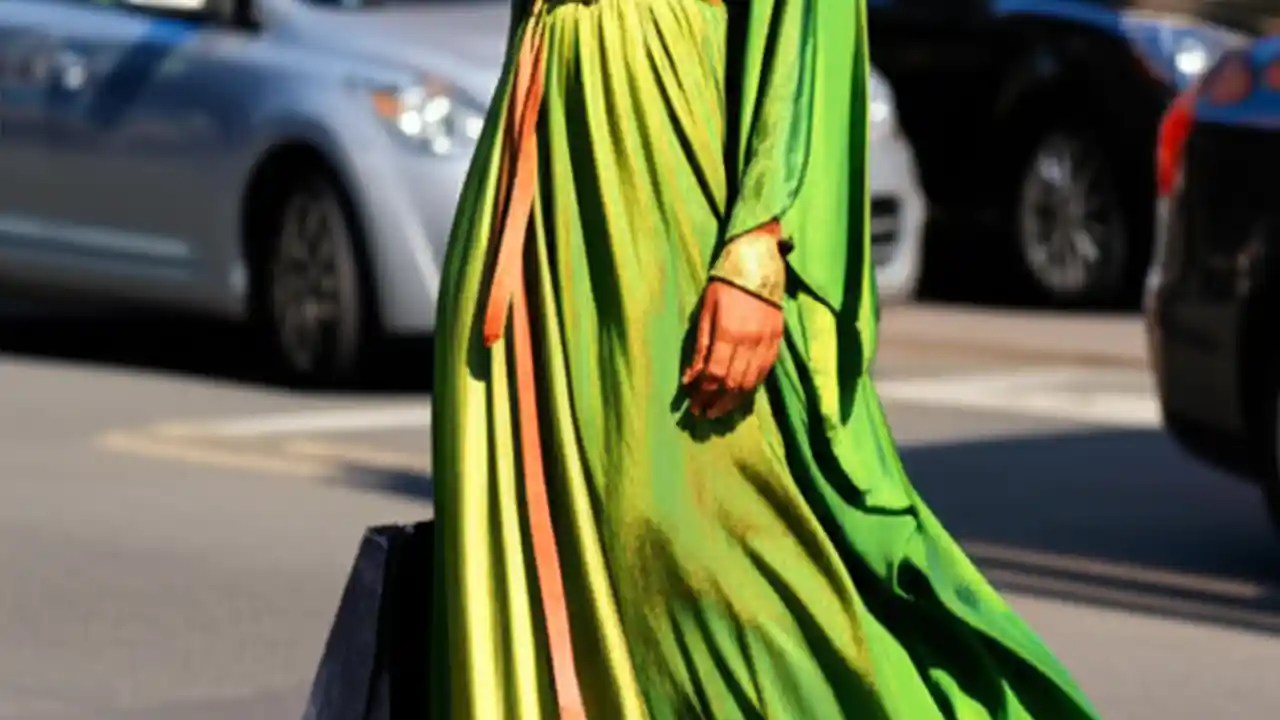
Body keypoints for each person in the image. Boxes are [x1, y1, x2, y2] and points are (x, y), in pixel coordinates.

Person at [429, 0, 1102, 716]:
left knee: (710, 556)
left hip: (667, 162)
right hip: (529, 169)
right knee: (533, 552)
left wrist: (759, 231)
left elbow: (806, 20)